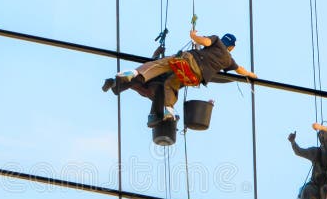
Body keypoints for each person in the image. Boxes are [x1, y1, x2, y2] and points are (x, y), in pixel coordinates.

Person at [102, 30, 257, 127]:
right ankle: (169, 109)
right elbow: (239, 70)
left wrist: (194, 36)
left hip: (188, 62)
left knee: (162, 64)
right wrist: (251, 75)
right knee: (171, 83)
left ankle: (134, 74)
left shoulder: (216, 41)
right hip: (196, 77)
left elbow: (206, 41)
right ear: (232, 48)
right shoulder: (228, 60)